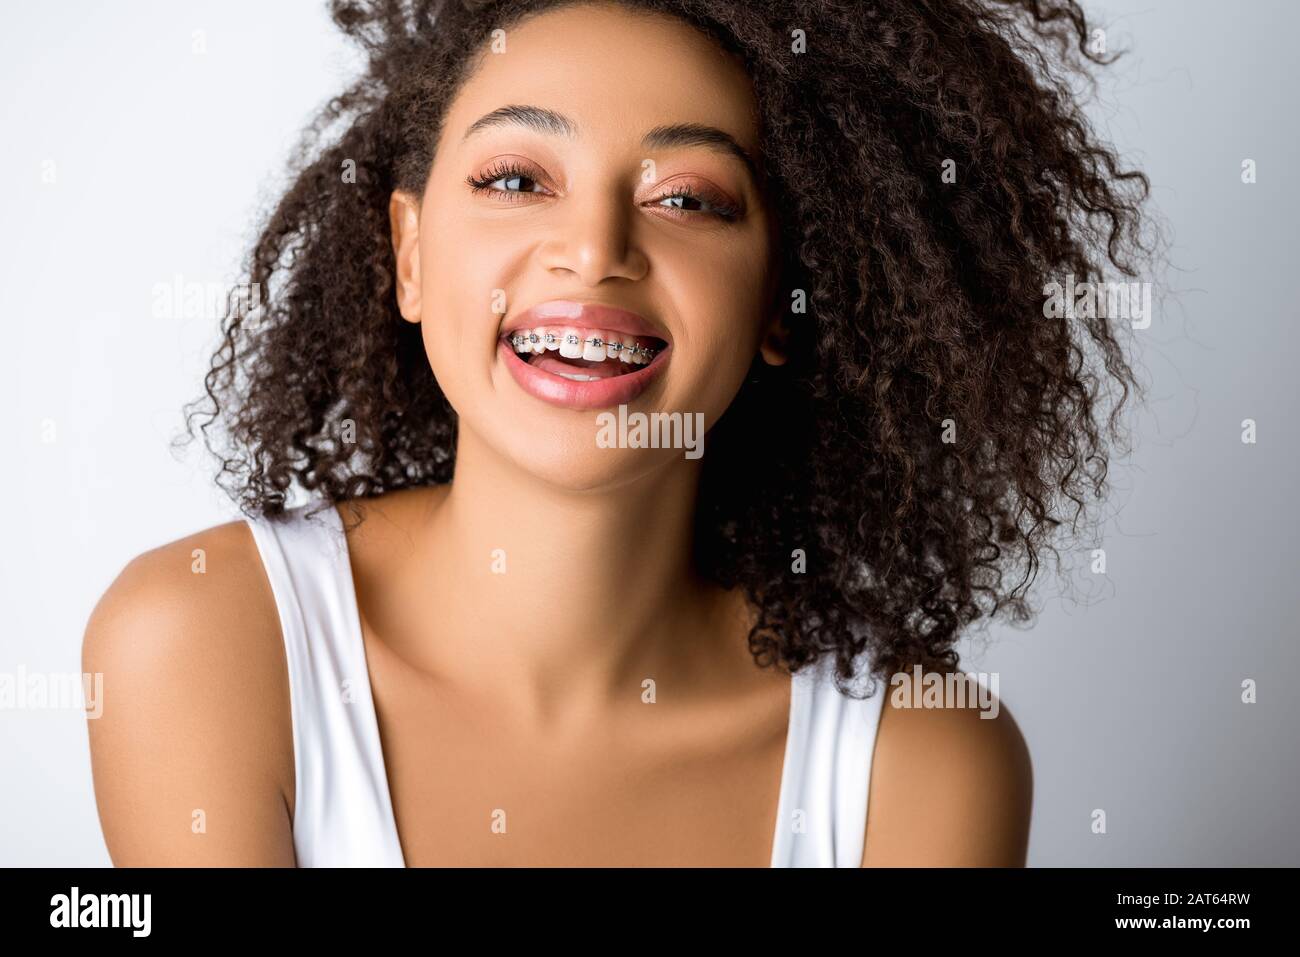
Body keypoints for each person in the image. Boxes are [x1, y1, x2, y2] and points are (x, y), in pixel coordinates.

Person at [84, 0, 1152, 867]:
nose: (593, 251)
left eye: (688, 199)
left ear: (784, 297)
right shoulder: (205, 642)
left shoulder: (919, 764)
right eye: (515, 180)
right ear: (408, 255)